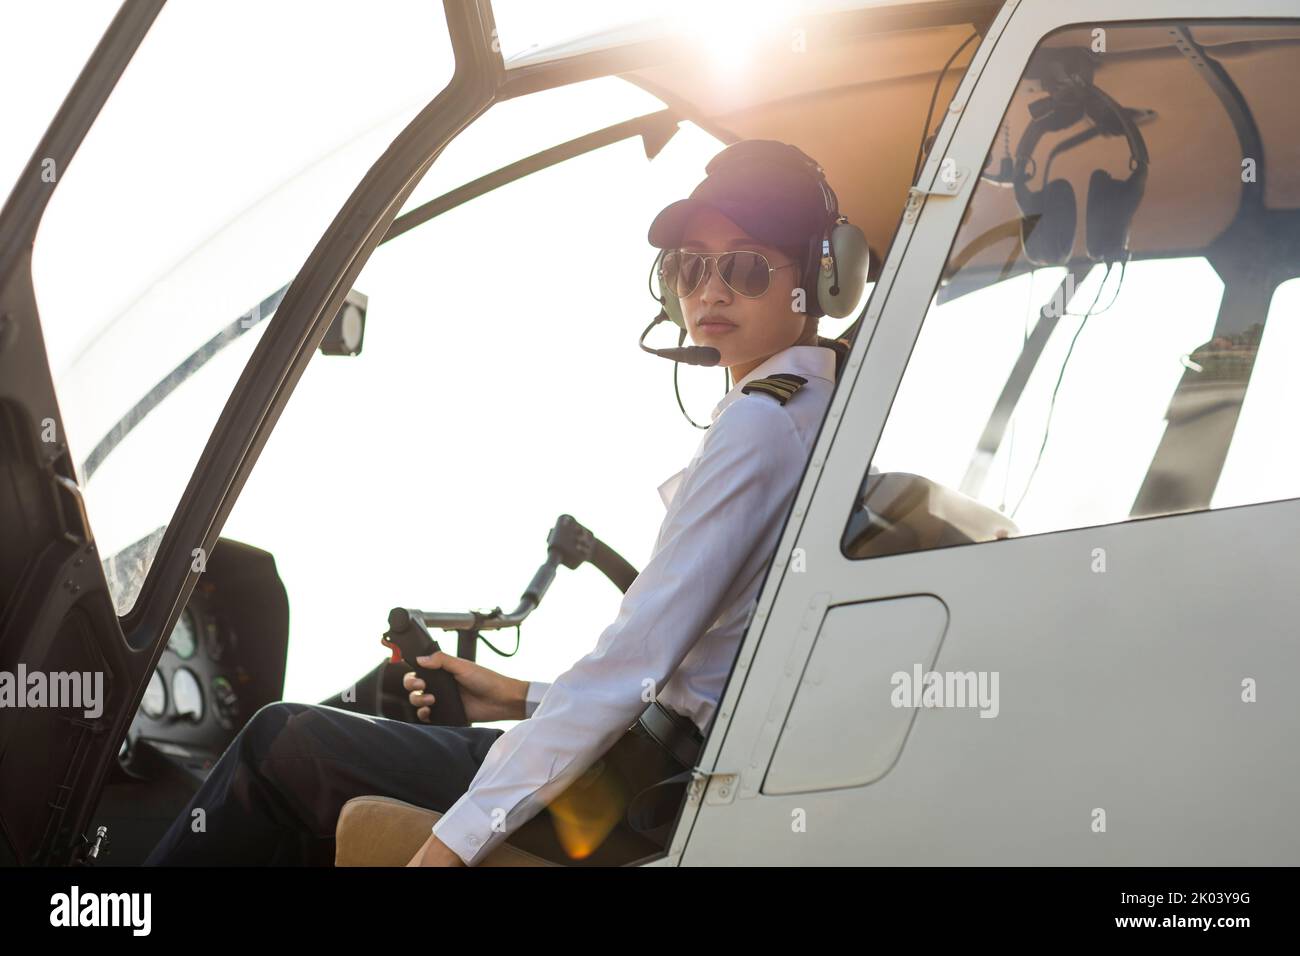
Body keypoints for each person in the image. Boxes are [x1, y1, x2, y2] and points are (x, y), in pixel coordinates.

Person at [143, 138, 851, 868]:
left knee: (283, 746)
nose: (709, 291)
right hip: (656, 775)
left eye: (744, 266)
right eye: (689, 267)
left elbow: (635, 666)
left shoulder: (759, 425)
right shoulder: (812, 405)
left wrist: (453, 843)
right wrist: (516, 695)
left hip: (636, 791)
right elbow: (696, 683)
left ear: (826, 275)